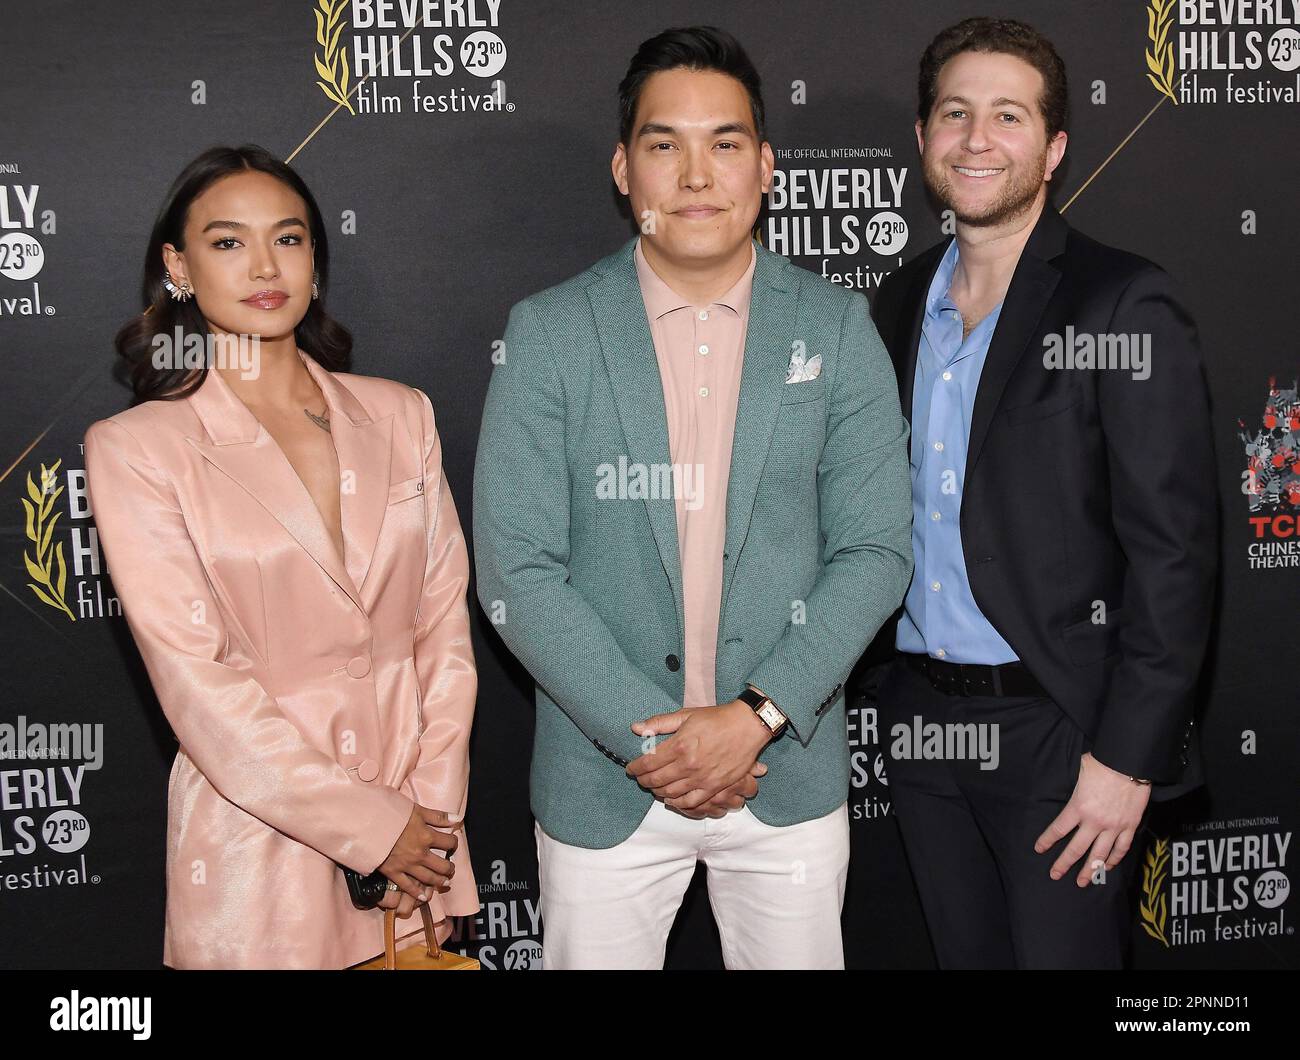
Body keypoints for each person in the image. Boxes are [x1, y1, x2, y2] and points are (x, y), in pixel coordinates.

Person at [473, 26, 912, 969]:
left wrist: (754, 715)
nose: (696, 172)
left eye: (725, 142)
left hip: (784, 772)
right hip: (606, 784)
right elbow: (518, 568)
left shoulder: (836, 327)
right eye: (665, 144)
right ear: (624, 168)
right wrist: (661, 745)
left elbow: (876, 550)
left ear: (766, 167)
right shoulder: (549, 334)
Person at [869, 17, 1217, 968]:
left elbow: (1174, 556)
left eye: (1009, 116)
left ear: (1054, 148)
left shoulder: (1119, 301)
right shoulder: (895, 304)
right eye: (956, 113)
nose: (979, 139)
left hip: (1061, 733)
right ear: (923, 137)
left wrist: (1126, 757)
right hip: (922, 722)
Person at [83, 144, 479, 969]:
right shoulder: (140, 449)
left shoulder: (401, 416)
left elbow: (442, 634)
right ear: (177, 266)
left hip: (419, 857)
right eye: (228, 242)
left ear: (315, 262)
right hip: (259, 855)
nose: (265, 265)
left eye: (289, 239)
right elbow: (198, 685)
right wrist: (374, 829)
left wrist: (426, 825)